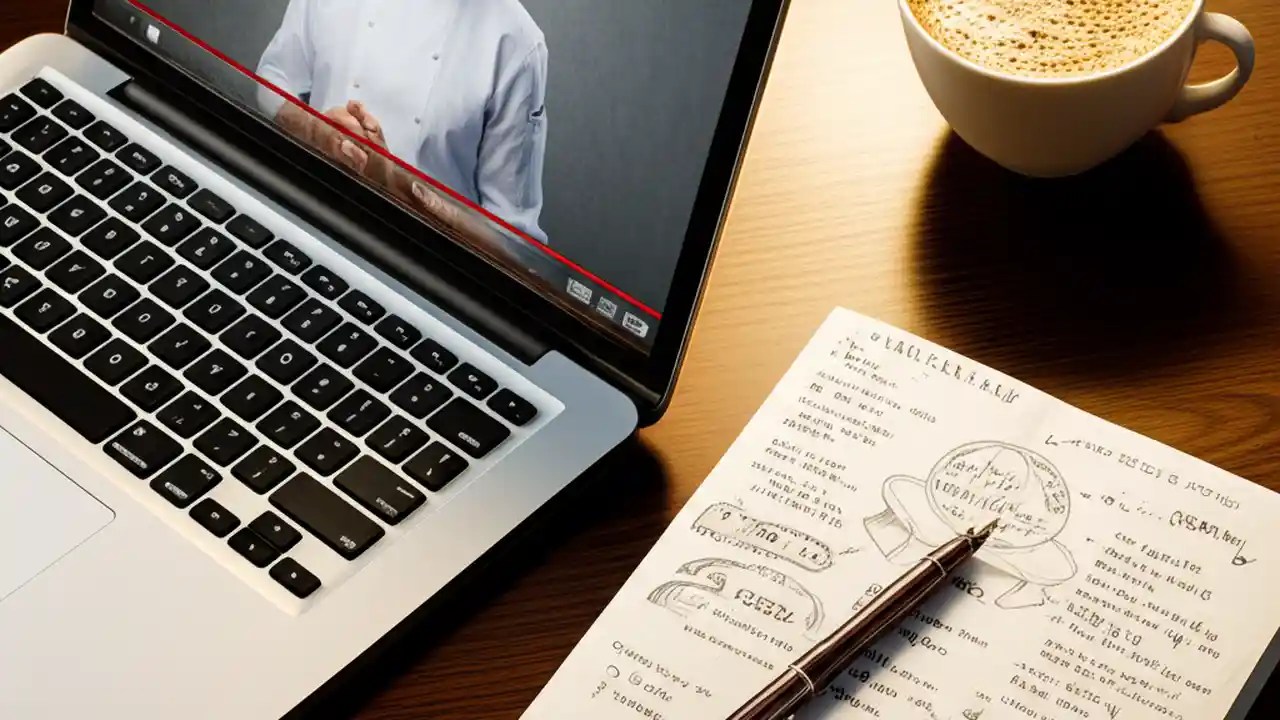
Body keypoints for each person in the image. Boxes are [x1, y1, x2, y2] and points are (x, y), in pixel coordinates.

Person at [256, 0, 549, 243]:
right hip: (309, 211)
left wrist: (392, 181)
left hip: (421, 258)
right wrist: (316, 131)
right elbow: (275, 75)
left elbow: (512, 240)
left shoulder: (518, 42)